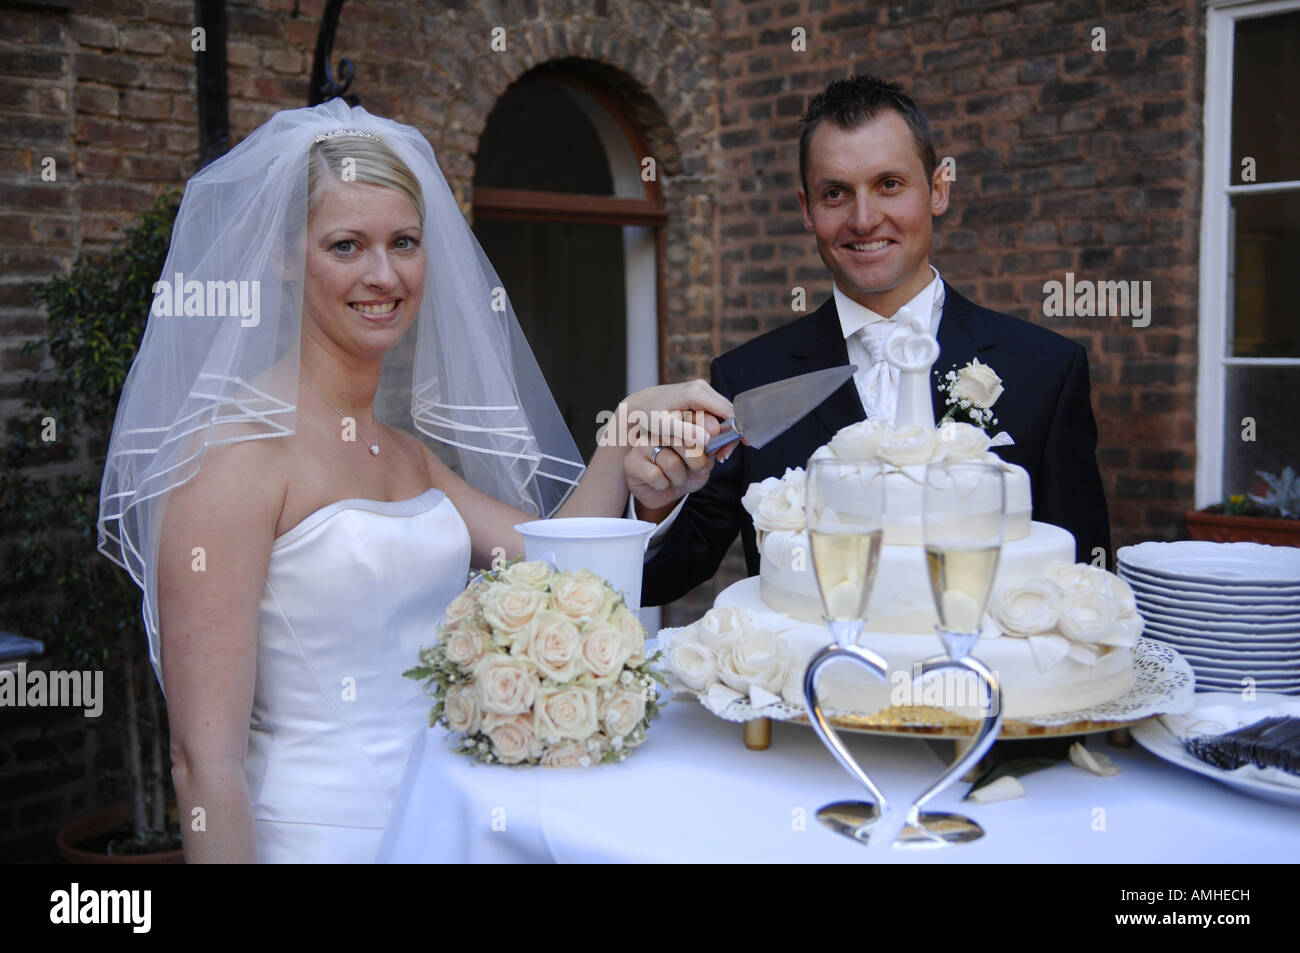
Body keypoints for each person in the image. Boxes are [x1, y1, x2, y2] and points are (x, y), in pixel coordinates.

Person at [97, 99, 732, 863]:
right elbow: (203, 766)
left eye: (405, 241)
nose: (384, 274)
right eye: (346, 244)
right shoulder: (234, 456)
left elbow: (555, 574)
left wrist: (621, 435)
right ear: (284, 255)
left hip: (448, 824)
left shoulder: (403, 455)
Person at [640, 74, 1111, 606]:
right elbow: (663, 575)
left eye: (889, 184)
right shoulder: (748, 378)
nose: (864, 220)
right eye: (836, 193)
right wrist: (655, 502)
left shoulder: (1046, 367)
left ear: (937, 189)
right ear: (806, 208)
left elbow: (1084, 578)